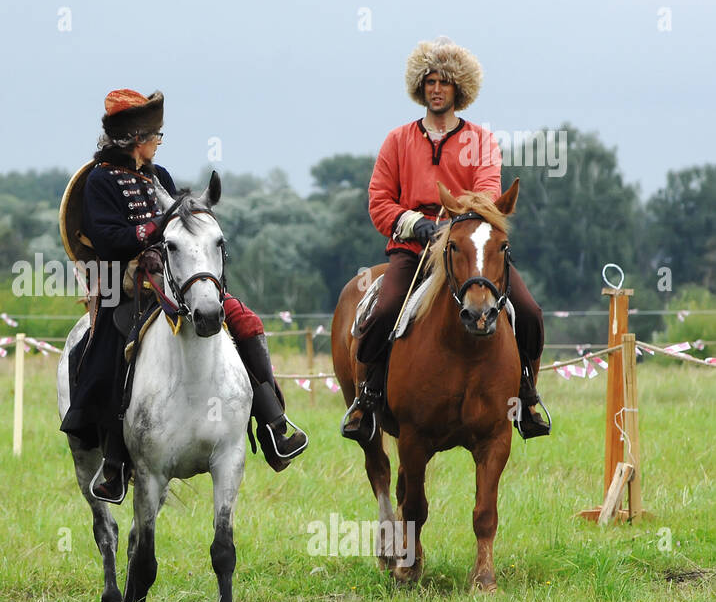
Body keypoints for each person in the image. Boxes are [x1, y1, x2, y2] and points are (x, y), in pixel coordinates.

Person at [60, 89, 307, 504]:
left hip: (174, 280)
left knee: (245, 321)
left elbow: (183, 231)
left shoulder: (161, 178)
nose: (158, 142)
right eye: (154, 134)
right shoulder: (100, 180)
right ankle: (116, 461)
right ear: (133, 138)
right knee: (112, 346)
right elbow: (108, 238)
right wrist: (152, 231)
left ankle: (272, 423)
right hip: (123, 286)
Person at [340, 37, 550, 442]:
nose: (437, 89)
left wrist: (457, 226)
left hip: (469, 250)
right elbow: (378, 200)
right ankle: (366, 399)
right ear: (420, 87)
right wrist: (415, 223)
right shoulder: (397, 141)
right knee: (381, 312)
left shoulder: (482, 142)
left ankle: (526, 394)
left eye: (445, 82)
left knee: (529, 311)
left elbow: (488, 194)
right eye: (430, 81)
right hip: (413, 251)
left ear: (459, 90)